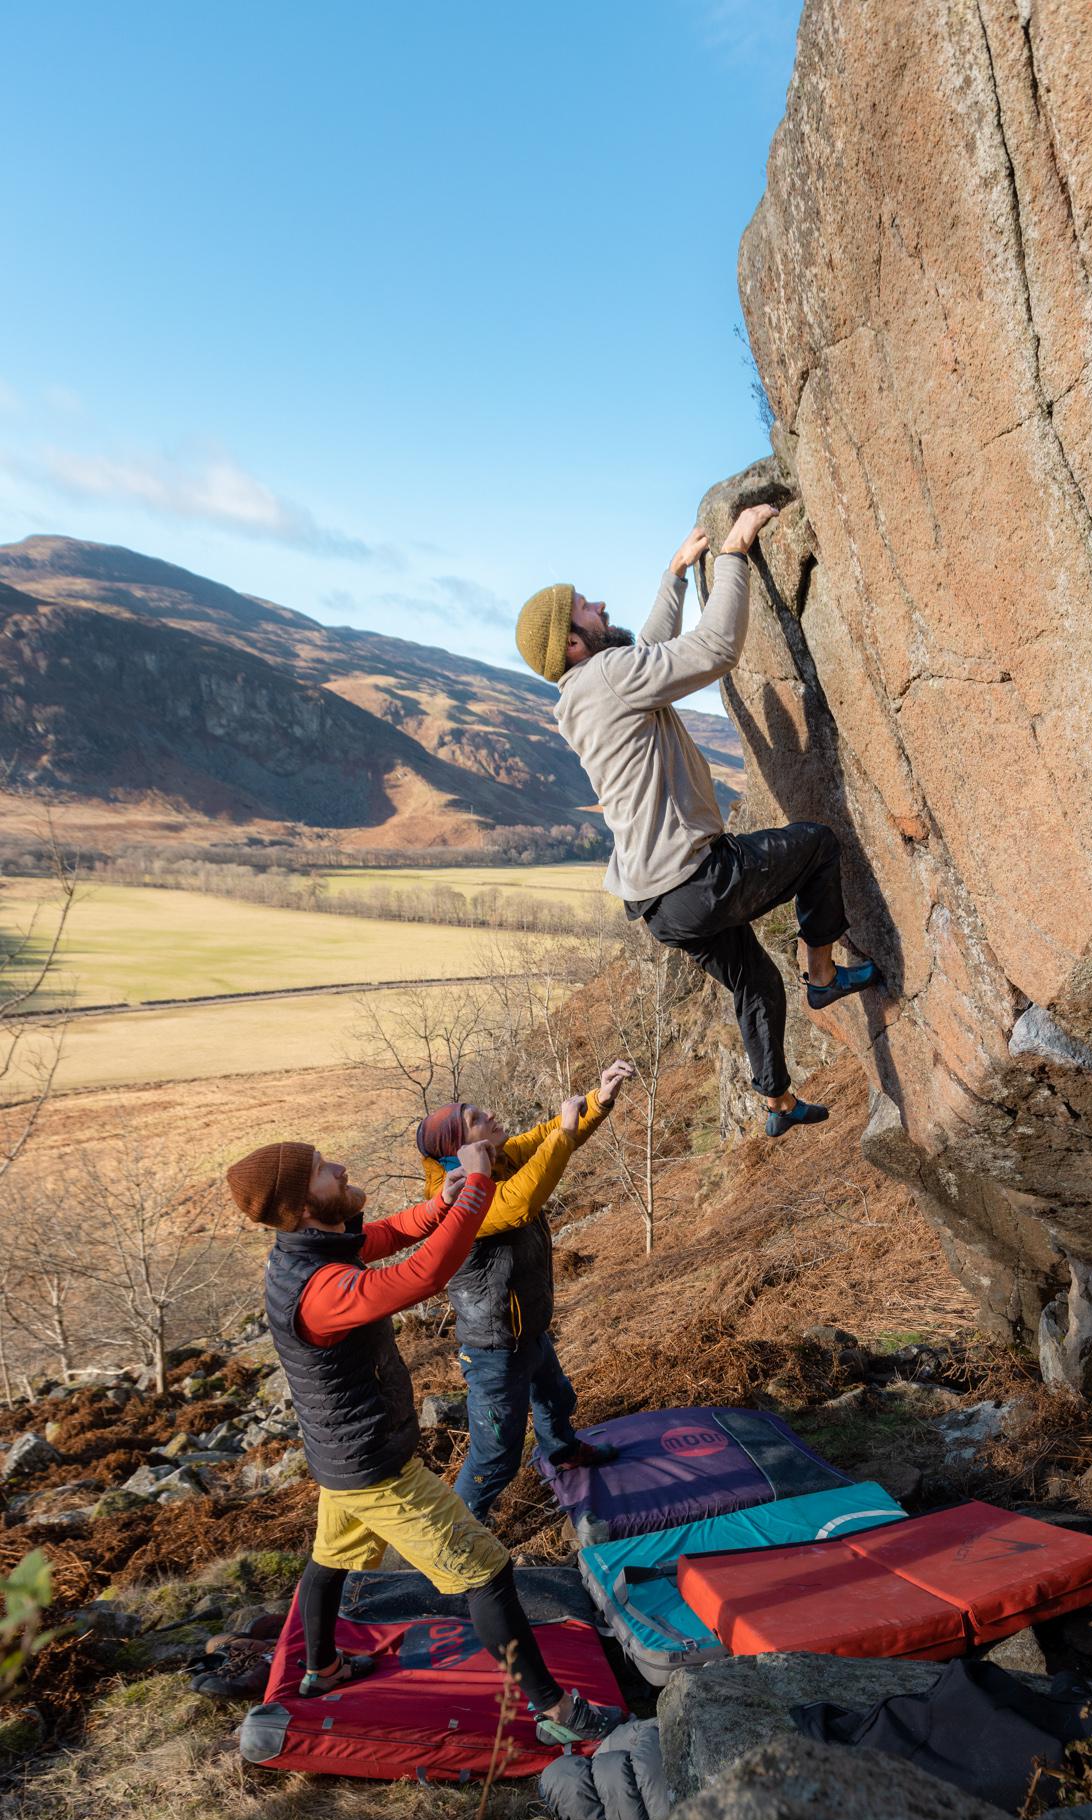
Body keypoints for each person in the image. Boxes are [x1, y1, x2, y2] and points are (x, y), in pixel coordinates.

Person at [224, 1134, 624, 1745]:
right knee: (486, 1570)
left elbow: (385, 1236)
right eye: (322, 1171)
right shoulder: (320, 1290)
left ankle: (322, 1668)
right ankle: (558, 1715)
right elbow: (425, 1273)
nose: (339, 1166)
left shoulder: (310, 1246)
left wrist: (446, 1202)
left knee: (331, 1558)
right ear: (302, 1205)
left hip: (341, 1456)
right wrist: (479, 1188)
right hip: (374, 1470)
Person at [515, 504, 881, 1138]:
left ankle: (778, 1102)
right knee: (819, 846)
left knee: (756, 979)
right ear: (574, 641)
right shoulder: (606, 676)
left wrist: (676, 575)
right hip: (696, 880)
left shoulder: (580, 693)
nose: (599, 604)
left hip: (657, 907)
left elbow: (646, 652)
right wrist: (734, 554)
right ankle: (822, 974)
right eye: (585, 606)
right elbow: (713, 650)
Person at [415, 1060, 634, 1521]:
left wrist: (599, 1099)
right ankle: (459, 1535)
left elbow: (545, 1135)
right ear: (460, 1148)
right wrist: (563, 1135)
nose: (490, 1115)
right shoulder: (460, 1200)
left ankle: (564, 1453)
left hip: (528, 1328)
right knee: (494, 1458)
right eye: (477, 1119)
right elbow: (518, 1204)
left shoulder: (496, 1159)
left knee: (556, 1402)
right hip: (494, 1350)